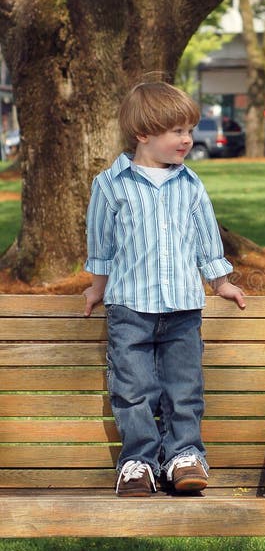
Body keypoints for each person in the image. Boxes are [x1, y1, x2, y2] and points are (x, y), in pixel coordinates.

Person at [83, 79, 246, 497]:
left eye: (189, 131)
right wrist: (96, 287)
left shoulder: (190, 185)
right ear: (144, 134)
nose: (188, 140)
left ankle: (183, 457)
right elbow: (101, 244)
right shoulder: (111, 185)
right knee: (132, 388)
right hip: (129, 309)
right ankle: (138, 462)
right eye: (177, 132)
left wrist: (221, 282)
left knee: (183, 387)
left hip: (182, 310)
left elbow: (206, 238)